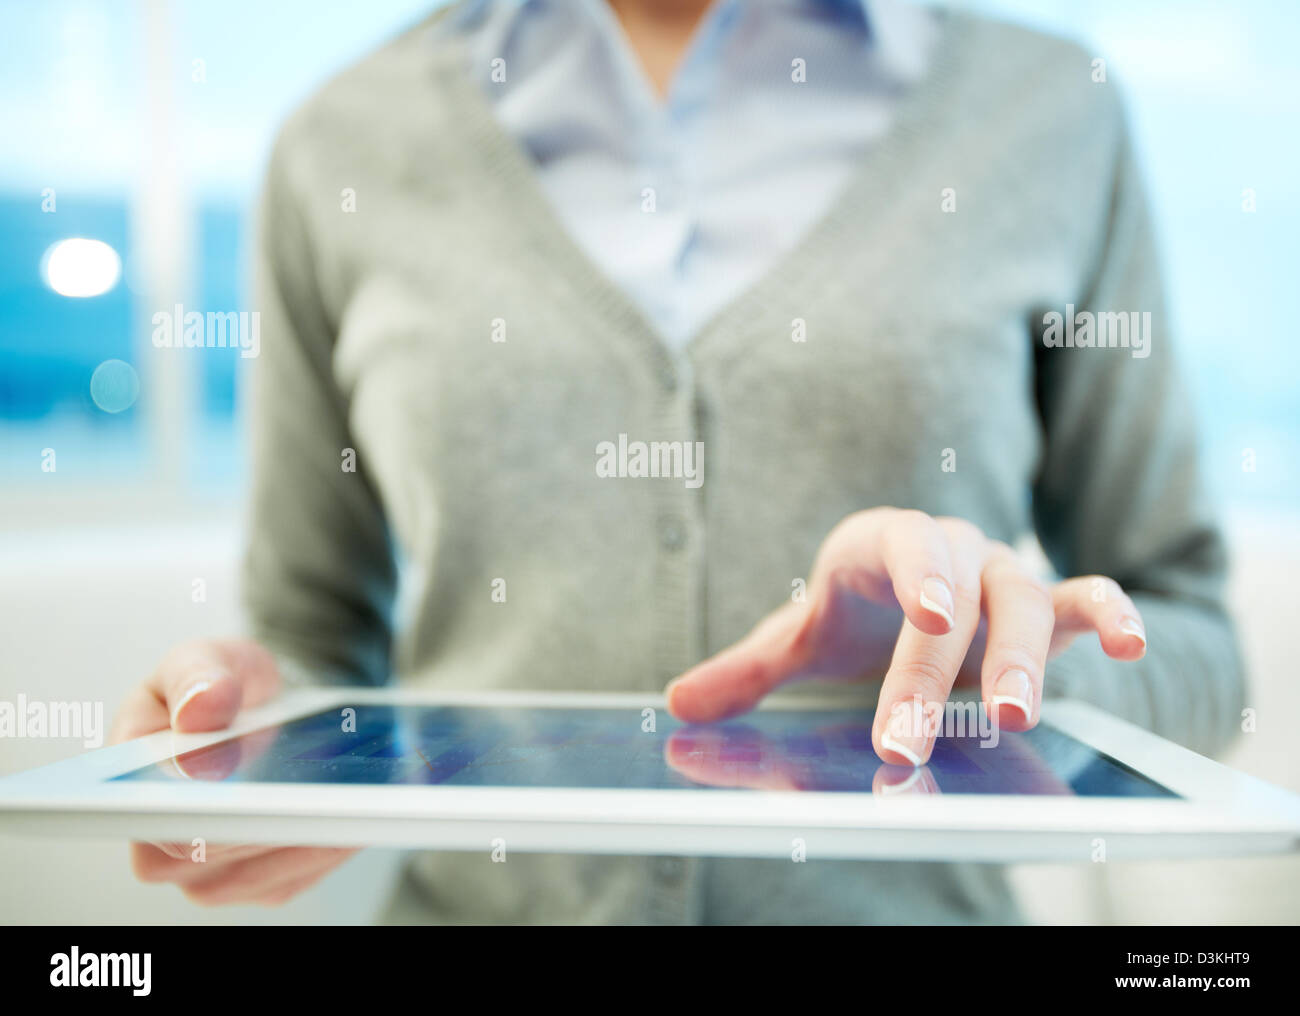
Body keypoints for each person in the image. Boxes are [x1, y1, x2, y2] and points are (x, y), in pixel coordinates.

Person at [112, 0, 1243, 924]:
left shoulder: (1047, 112)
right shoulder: (340, 142)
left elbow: (1193, 634)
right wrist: (252, 741)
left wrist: (1009, 683)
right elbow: (313, 643)